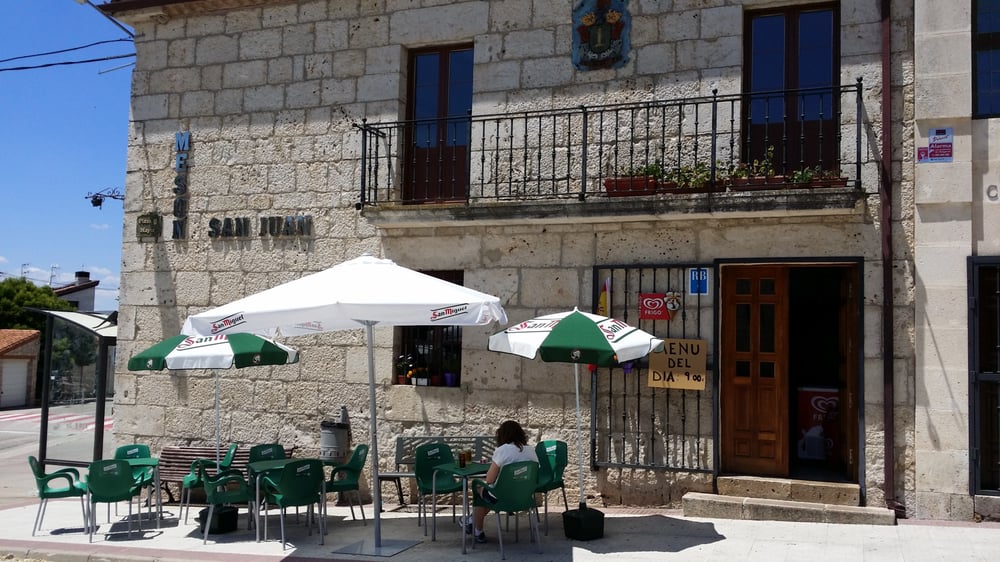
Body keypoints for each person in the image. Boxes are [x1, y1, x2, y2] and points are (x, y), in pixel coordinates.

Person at [462, 419, 538, 543]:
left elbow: (489, 479)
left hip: (502, 498)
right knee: (488, 495)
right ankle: (471, 520)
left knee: (479, 488)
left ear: (502, 435)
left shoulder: (503, 450)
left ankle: (476, 529)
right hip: (524, 497)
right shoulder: (531, 451)